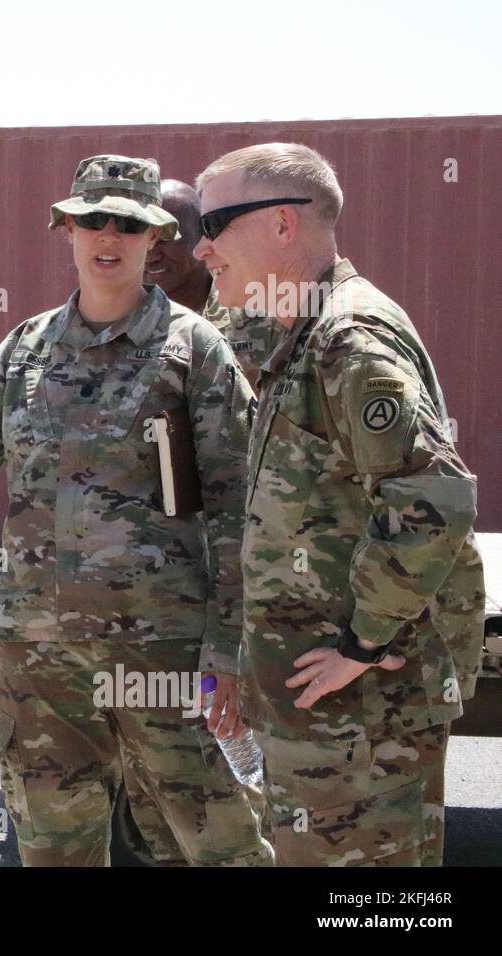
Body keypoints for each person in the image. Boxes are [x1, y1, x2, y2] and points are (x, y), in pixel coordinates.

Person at [0, 155, 273, 867]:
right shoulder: (25, 351)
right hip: (41, 661)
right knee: (54, 850)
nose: (110, 235)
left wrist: (228, 654)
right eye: (93, 220)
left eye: (129, 223)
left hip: (161, 656)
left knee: (219, 846)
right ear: (66, 229)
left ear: (154, 236)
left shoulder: (194, 350)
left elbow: (240, 512)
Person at [193, 142, 484, 866]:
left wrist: (365, 640)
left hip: (365, 711)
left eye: (216, 223)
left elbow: (434, 497)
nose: (201, 248)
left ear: (282, 225)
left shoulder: (349, 340)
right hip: (325, 705)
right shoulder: (299, 328)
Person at [148, 179, 277, 392]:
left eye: (165, 239)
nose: (150, 255)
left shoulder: (260, 316)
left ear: (203, 238)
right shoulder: (123, 321)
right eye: (145, 239)